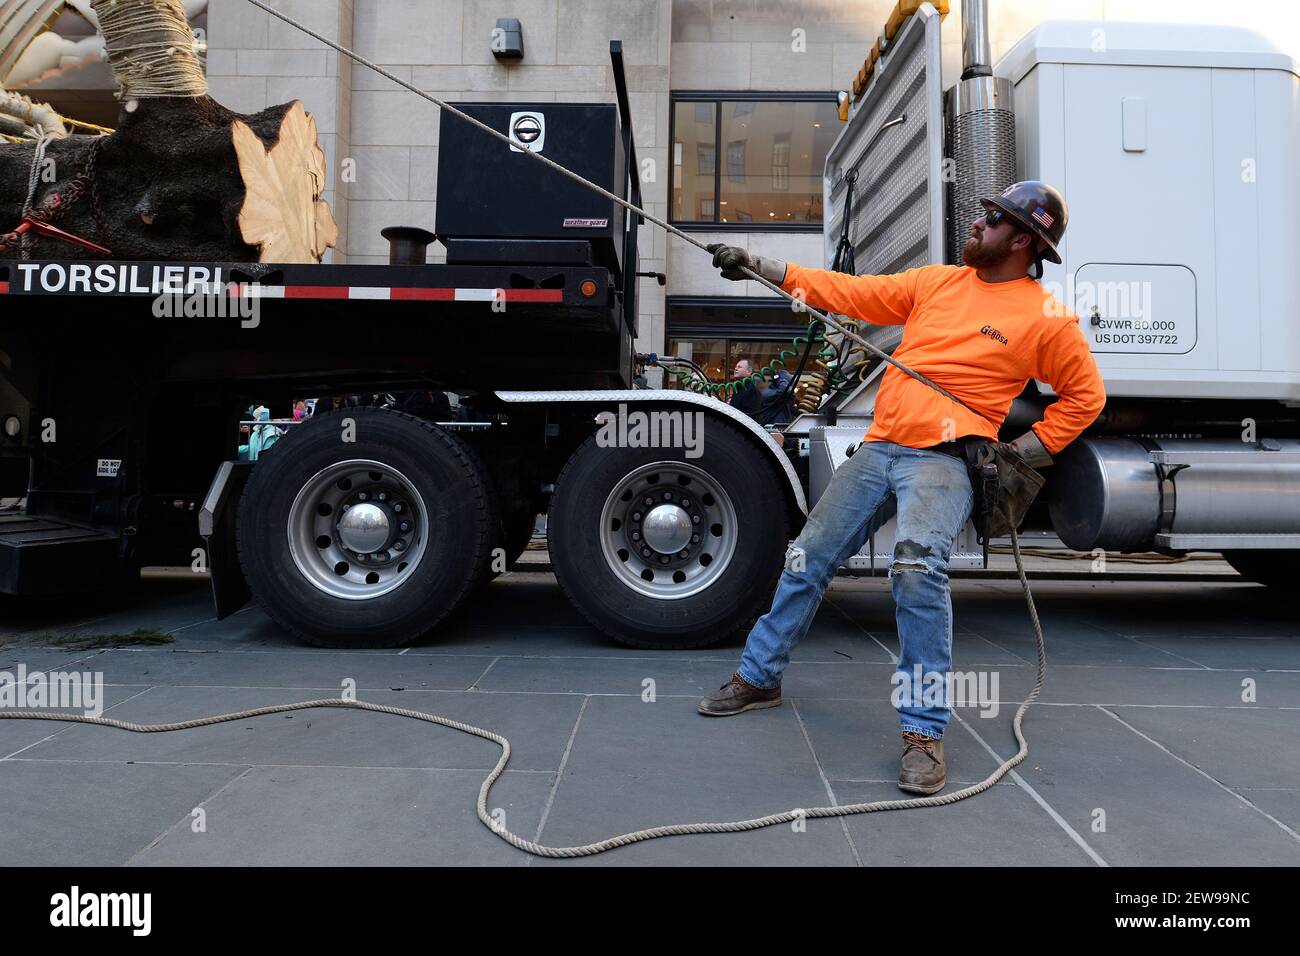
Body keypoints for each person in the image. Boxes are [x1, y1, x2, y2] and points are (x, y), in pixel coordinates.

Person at [699, 181, 1106, 796]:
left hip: (943, 463)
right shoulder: (938, 282)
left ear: (1023, 240)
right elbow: (850, 294)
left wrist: (1021, 452)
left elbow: (1086, 399)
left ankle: (923, 734)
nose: (977, 223)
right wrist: (762, 267)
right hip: (881, 446)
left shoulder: (1046, 318)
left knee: (918, 573)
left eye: (992, 218)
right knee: (806, 558)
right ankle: (760, 677)